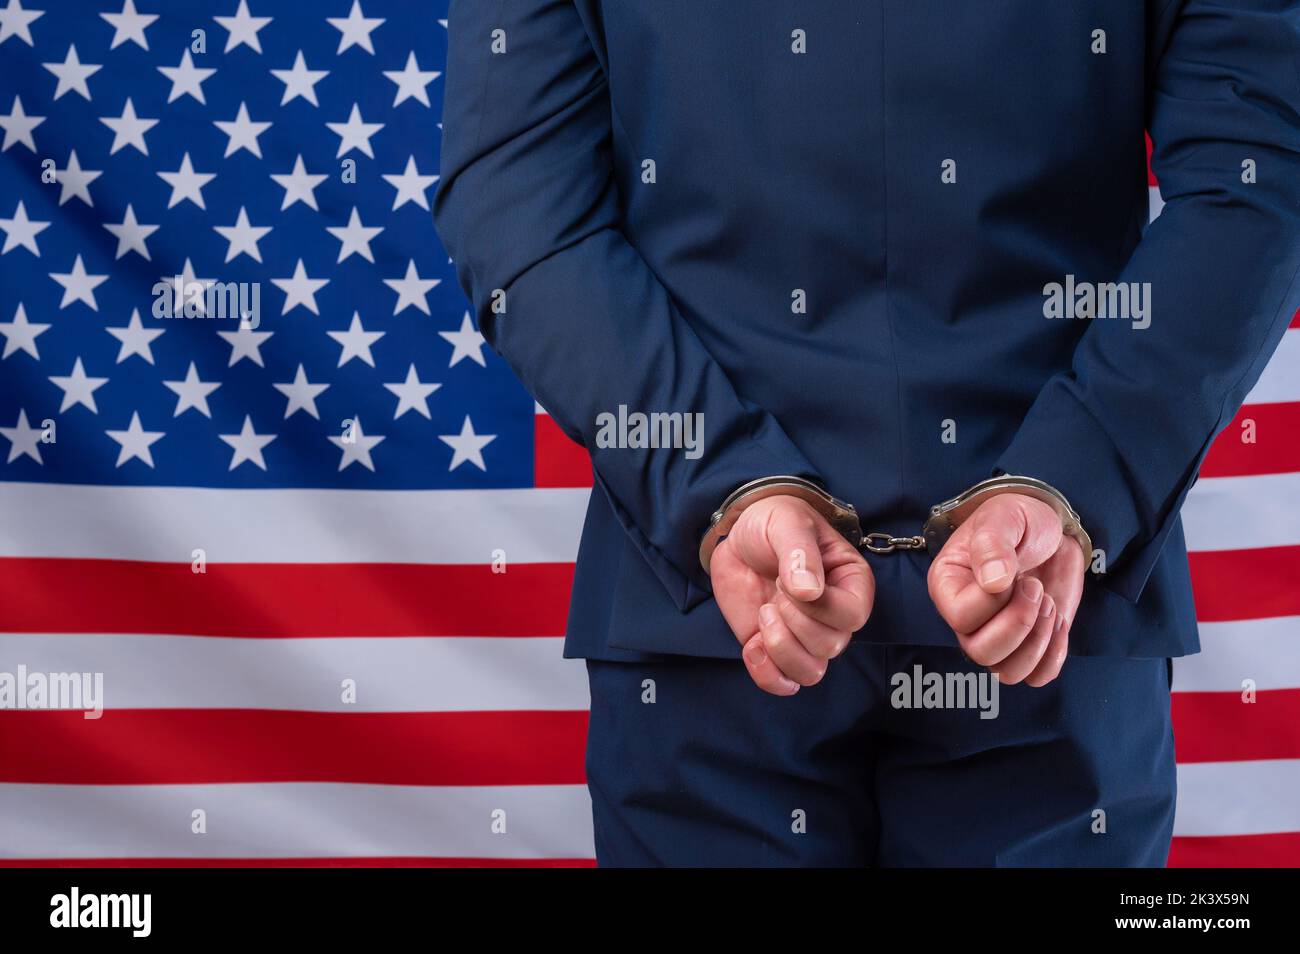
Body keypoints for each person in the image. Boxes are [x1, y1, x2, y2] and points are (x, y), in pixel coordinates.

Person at [434, 0, 1300, 866]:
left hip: (731, 616)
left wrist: (717, 481)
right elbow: (1258, 179)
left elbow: (515, 199)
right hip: (1038, 602)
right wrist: (1075, 477)